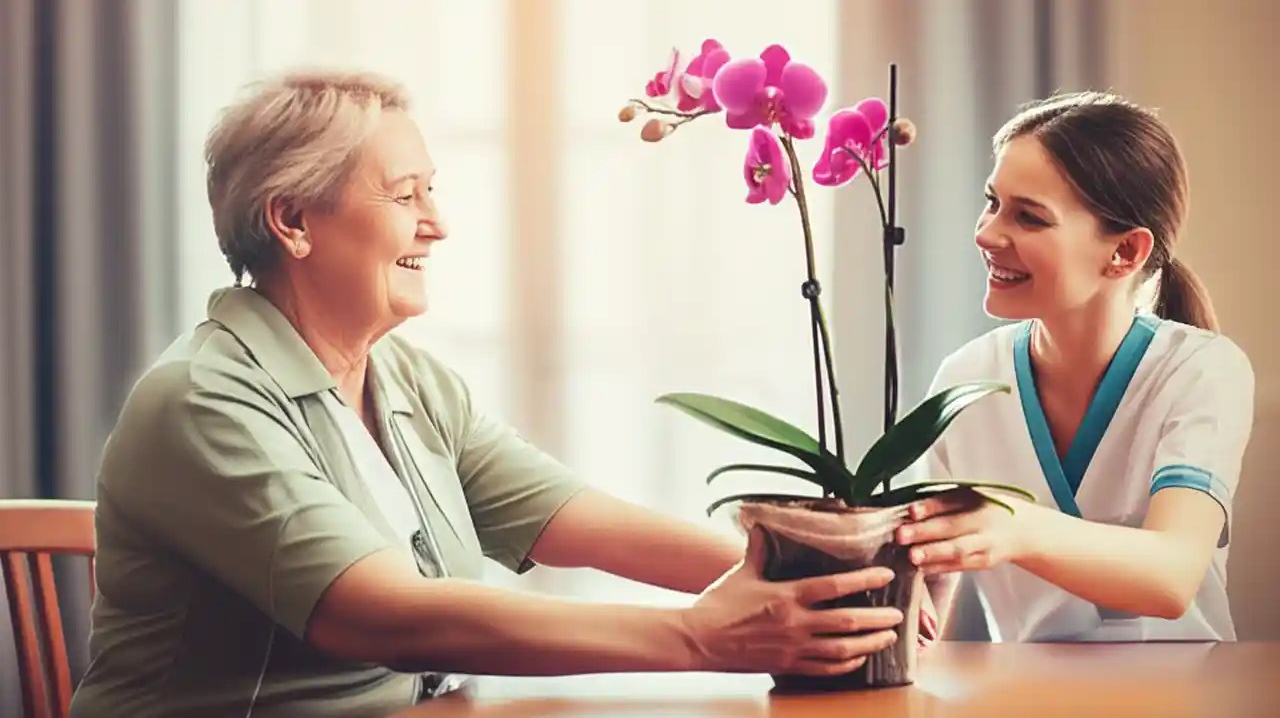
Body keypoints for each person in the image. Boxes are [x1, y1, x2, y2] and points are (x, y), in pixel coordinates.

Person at [68, 71, 907, 718]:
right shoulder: (203, 400)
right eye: (405, 196)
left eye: (432, 189)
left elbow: (577, 520)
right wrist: (699, 636)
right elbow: (376, 616)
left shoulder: (407, 380)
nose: (437, 222)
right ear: (292, 221)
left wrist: (841, 583)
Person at [897, 91, 1255, 643]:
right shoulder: (964, 381)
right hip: (1026, 697)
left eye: (1029, 217)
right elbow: (928, 592)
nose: (987, 234)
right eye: (992, 202)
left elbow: (1172, 576)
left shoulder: (1201, 370)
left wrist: (1013, 527)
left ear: (1126, 253)